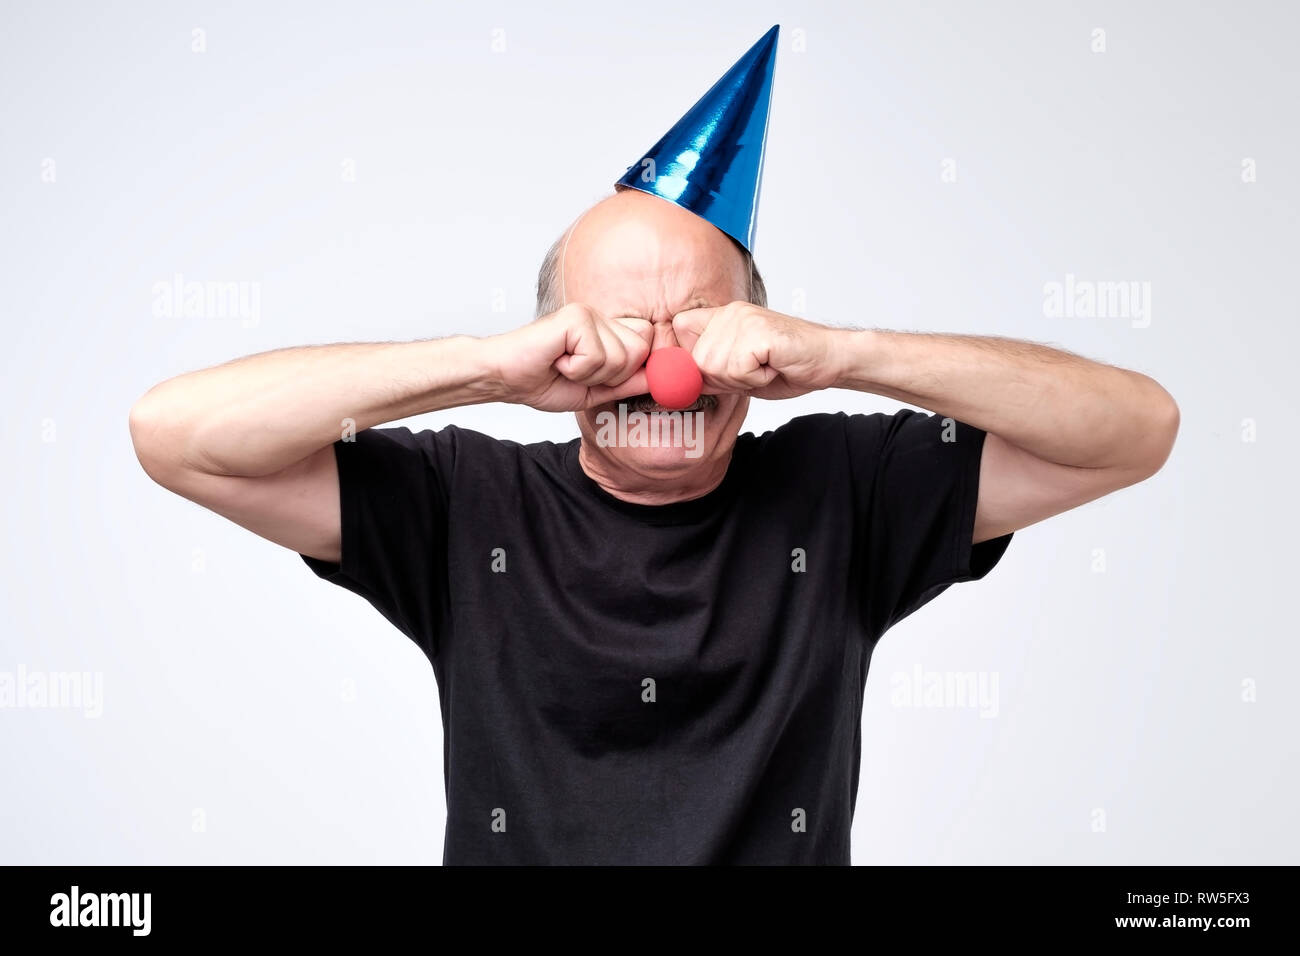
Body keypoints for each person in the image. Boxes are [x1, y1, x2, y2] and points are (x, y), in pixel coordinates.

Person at [127, 28, 1178, 864]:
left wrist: (844, 352)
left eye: (699, 326)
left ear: (760, 338)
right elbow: (177, 435)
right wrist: (489, 368)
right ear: (556, 344)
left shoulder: (845, 490)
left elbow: (1132, 430)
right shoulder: (463, 502)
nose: (662, 369)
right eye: (619, 332)